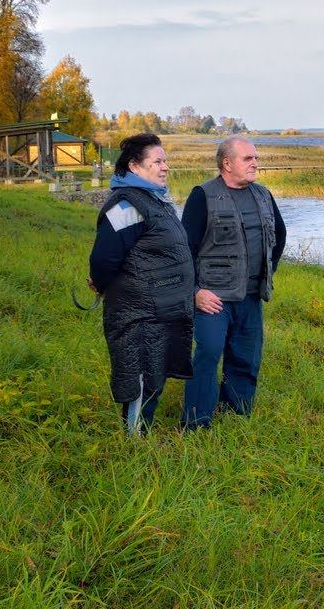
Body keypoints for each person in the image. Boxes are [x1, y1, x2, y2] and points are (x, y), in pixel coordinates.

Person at [88, 133, 194, 435]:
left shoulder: (153, 200)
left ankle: (139, 434)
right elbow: (105, 257)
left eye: (166, 161)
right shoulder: (127, 206)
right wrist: (100, 283)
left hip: (160, 309)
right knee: (141, 375)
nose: (165, 167)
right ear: (135, 167)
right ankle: (133, 442)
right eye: (157, 162)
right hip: (140, 311)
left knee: (154, 371)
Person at [181, 136, 286, 430]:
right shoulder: (203, 195)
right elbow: (184, 249)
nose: (256, 163)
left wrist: (267, 272)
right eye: (248, 159)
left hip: (251, 296)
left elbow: (280, 235)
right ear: (227, 163)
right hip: (214, 298)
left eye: (256, 158)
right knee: (208, 354)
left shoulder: (263, 195)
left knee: (246, 357)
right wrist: (194, 292)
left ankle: (236, 416)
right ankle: (196, 423)